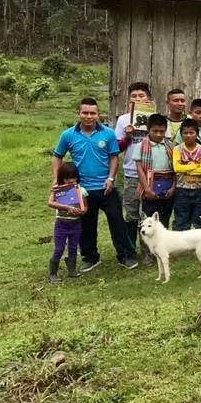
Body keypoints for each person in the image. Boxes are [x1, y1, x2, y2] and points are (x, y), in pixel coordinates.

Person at [51, 97, 138, 272]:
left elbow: (114, 156)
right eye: (85, 113)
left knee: (117, 222)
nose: (89, 116)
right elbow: (57, 155)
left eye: (93, 113)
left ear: (98, 115)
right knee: (86, 225)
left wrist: (111, 178)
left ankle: (125, 255)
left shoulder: (108, 133)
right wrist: (56, 180)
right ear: (79, 114)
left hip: (107, 188)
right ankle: (90, 257)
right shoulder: (68, 135)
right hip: (82, 190)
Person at [113, 81, 152, 249]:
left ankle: (148, 250)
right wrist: (128, 136)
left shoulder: (156, 118)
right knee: (131, 212)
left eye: (141, 95)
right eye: (133, 96)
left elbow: (166, 142)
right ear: (129, 100)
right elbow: (117, 148)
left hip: (152, 173)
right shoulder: (123, 120)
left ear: (148, 98)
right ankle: (130, 248)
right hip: (131, 173)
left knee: (149, 213)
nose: (137, 99)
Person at [135, 113, 176, 263]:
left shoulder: (171, 146)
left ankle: (162, 249)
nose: (159, 134)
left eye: (162, 131)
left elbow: (176, 169)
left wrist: (173, 187)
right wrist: (146, 188)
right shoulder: (142, 145)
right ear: (148, 130)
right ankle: (146, 252)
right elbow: (139, 168)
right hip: (149, 190)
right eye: (155, 131)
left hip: (167, 190)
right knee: (147, 221)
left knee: (163, 220)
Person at [47, 161, 86, 282]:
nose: (71, 181)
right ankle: (52, 272)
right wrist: (67, 208)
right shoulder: (58, 190)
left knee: (73, 247)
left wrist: (81, 211)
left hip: (76, 223)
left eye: (73, 178)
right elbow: (50, 202)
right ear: (62, 178)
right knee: (59, 249)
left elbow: (85, 206)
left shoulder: (81, 190)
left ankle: (72, 269)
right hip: (62, 224)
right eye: (67, 178)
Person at [171, 119, 201, 231]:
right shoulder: (177, 149)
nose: (188, 135)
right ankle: (181, 246)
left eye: (191, 133)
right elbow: (177, 168)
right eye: (185, 133)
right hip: (182, 189)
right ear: (181, 134)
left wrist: (186, 169)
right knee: (181, 220)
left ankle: (199, 245)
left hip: (200, 189)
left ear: (196, 134)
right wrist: (194, 165)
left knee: (200, 220)